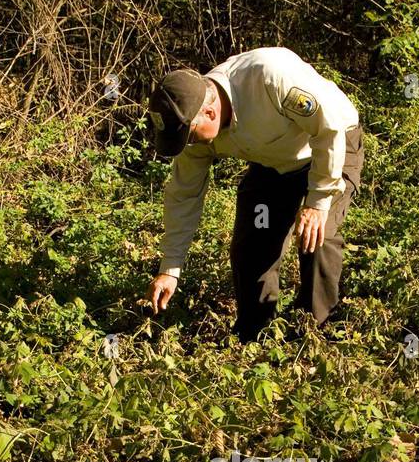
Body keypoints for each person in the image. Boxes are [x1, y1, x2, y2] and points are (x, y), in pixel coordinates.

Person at [147, 47, 363, 341]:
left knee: (316, 236)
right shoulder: (192, 127)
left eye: (189, 135)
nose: (188, 144)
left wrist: (317, 202)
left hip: (331, 147)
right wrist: (170, 268)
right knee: (254, 240)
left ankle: (312, 334)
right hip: (272, 165)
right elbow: (183, 195)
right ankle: (254, 336)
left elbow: (329, 129)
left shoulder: (269, 77)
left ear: (210, 112)